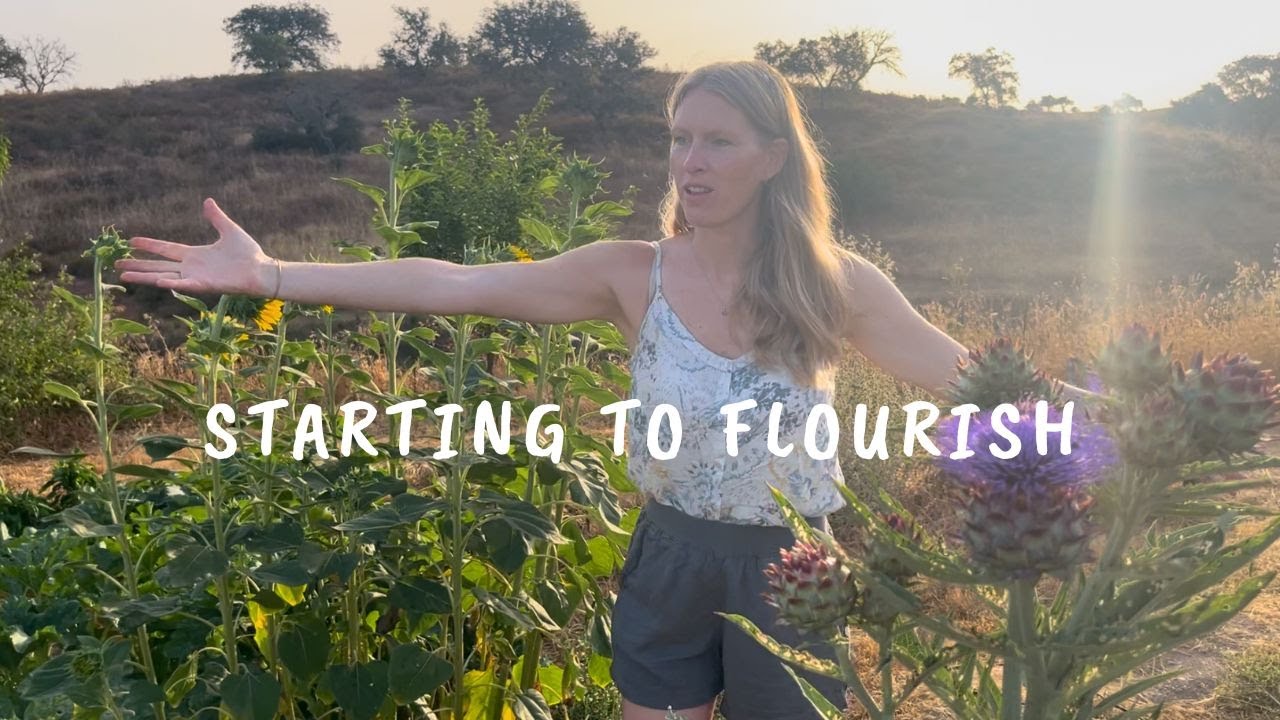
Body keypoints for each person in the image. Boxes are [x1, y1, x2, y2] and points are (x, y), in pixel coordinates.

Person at [117, 60, 1089, 719]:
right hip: (669, 555)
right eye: (679, 140)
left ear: (773, 157)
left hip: (794, 571)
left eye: (715, 141)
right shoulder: (632, 274)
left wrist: (1109, 418)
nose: (690, 162)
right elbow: (451, 284)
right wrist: (277, 275)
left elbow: (971, 381)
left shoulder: (834, 285)